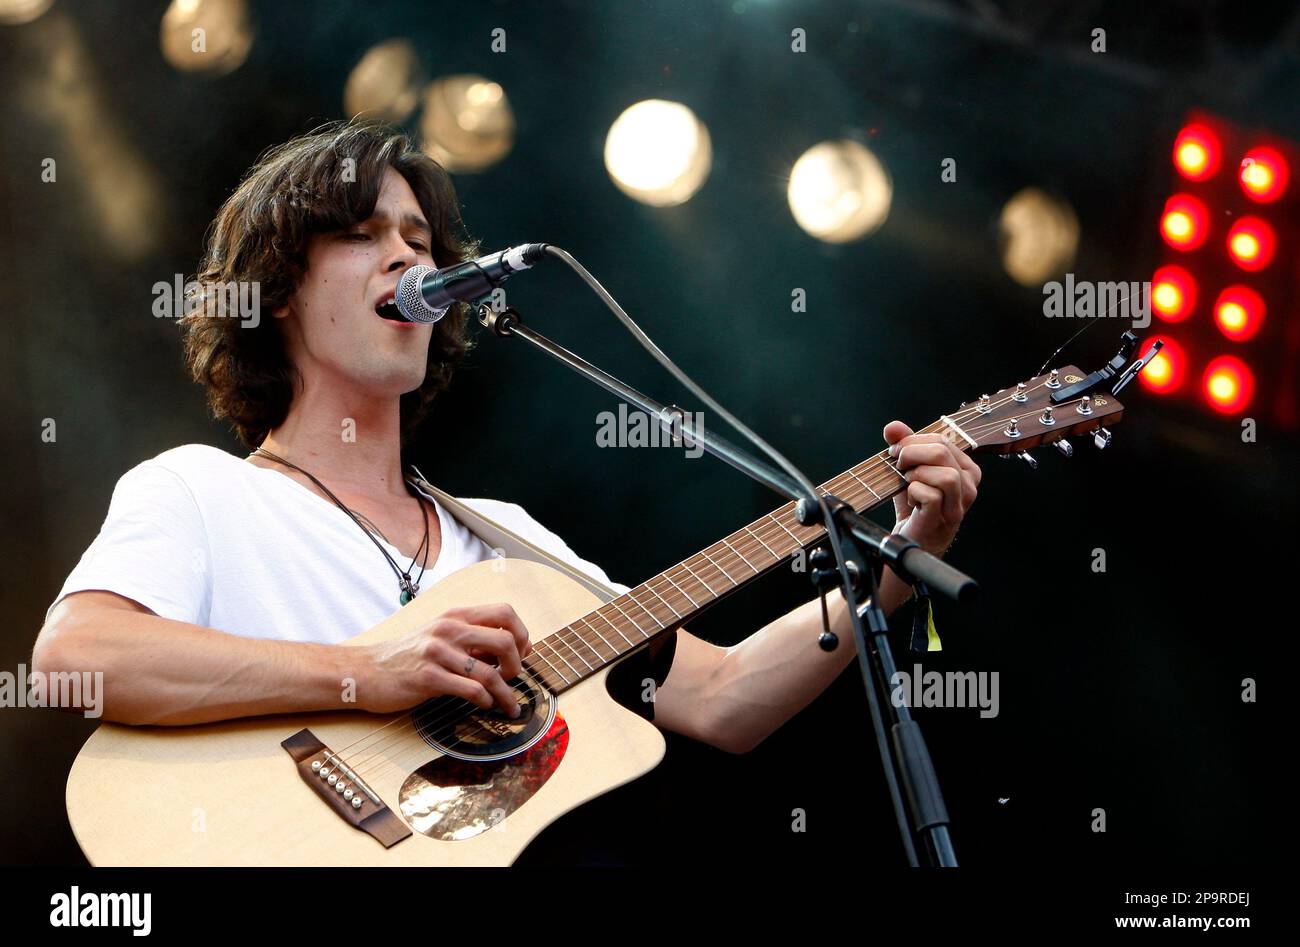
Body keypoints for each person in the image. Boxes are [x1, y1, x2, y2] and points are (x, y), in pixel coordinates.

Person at [33, 119, 980, 757]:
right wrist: (370, 674)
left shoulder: (502, 538)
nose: (411, 256)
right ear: (276, 287)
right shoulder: (201, 490)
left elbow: (722, 697)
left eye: (421, 237)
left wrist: (898, 556)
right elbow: (74, 661)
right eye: (365, 234)